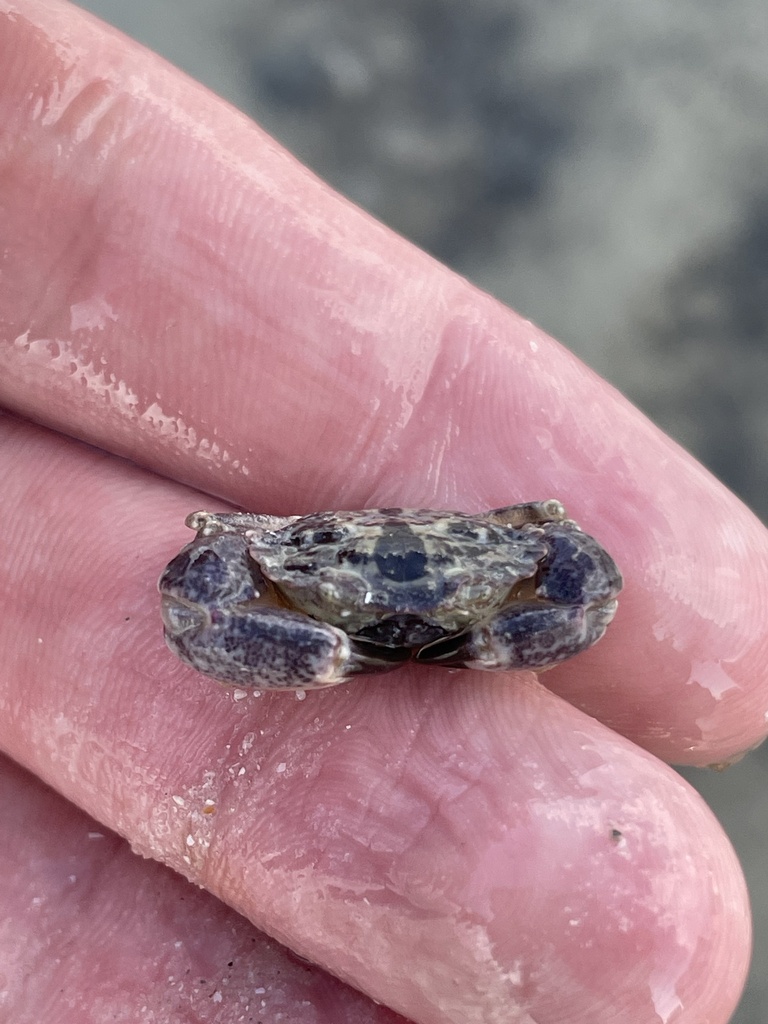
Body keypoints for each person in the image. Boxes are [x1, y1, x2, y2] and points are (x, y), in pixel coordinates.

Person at [0, 2, 762, 1021]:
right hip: (335, 578)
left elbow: (587, 575)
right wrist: (313, 646)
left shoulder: (525, 558)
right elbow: (194, 598)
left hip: (441, 568)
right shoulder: (267, 565)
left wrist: (490, 630)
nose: (396, 629)